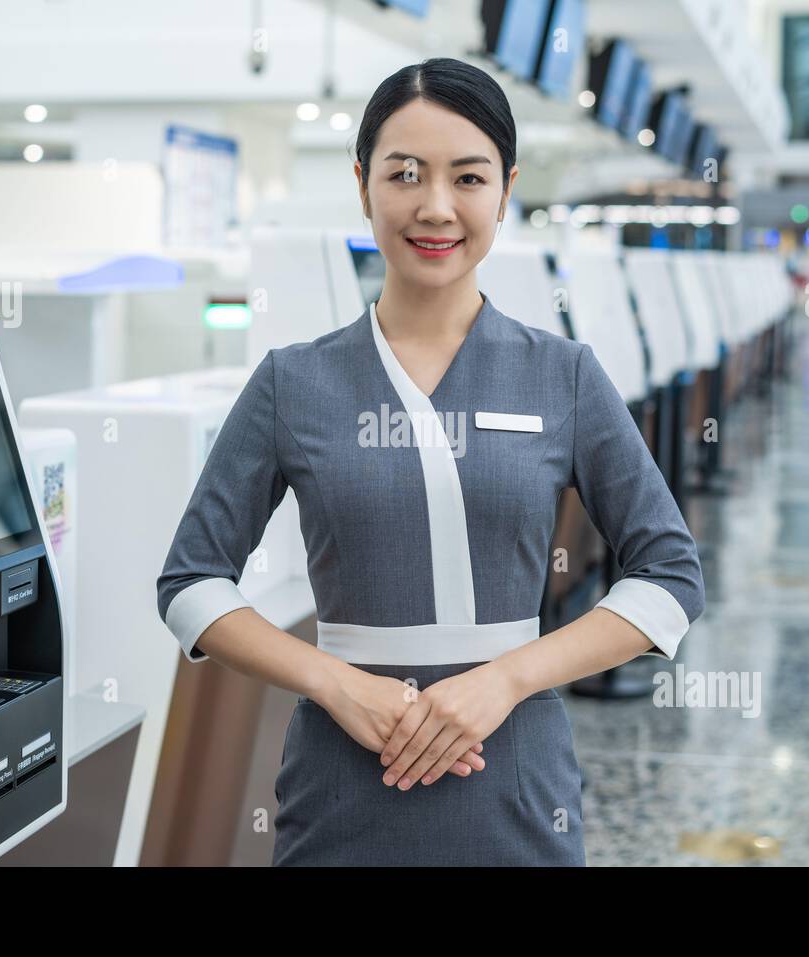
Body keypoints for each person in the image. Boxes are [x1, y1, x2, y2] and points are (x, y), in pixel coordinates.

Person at [156, 57, 705, 866]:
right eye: (405, 174)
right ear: (363, 184)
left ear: (506, 191)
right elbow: (190, 584)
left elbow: (670, 579)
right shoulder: (294, 381)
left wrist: (507, 678)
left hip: (514, 780)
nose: (435, 206)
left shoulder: (564, 374)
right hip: (342, 785)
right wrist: (335, 682)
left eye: (469, 178)